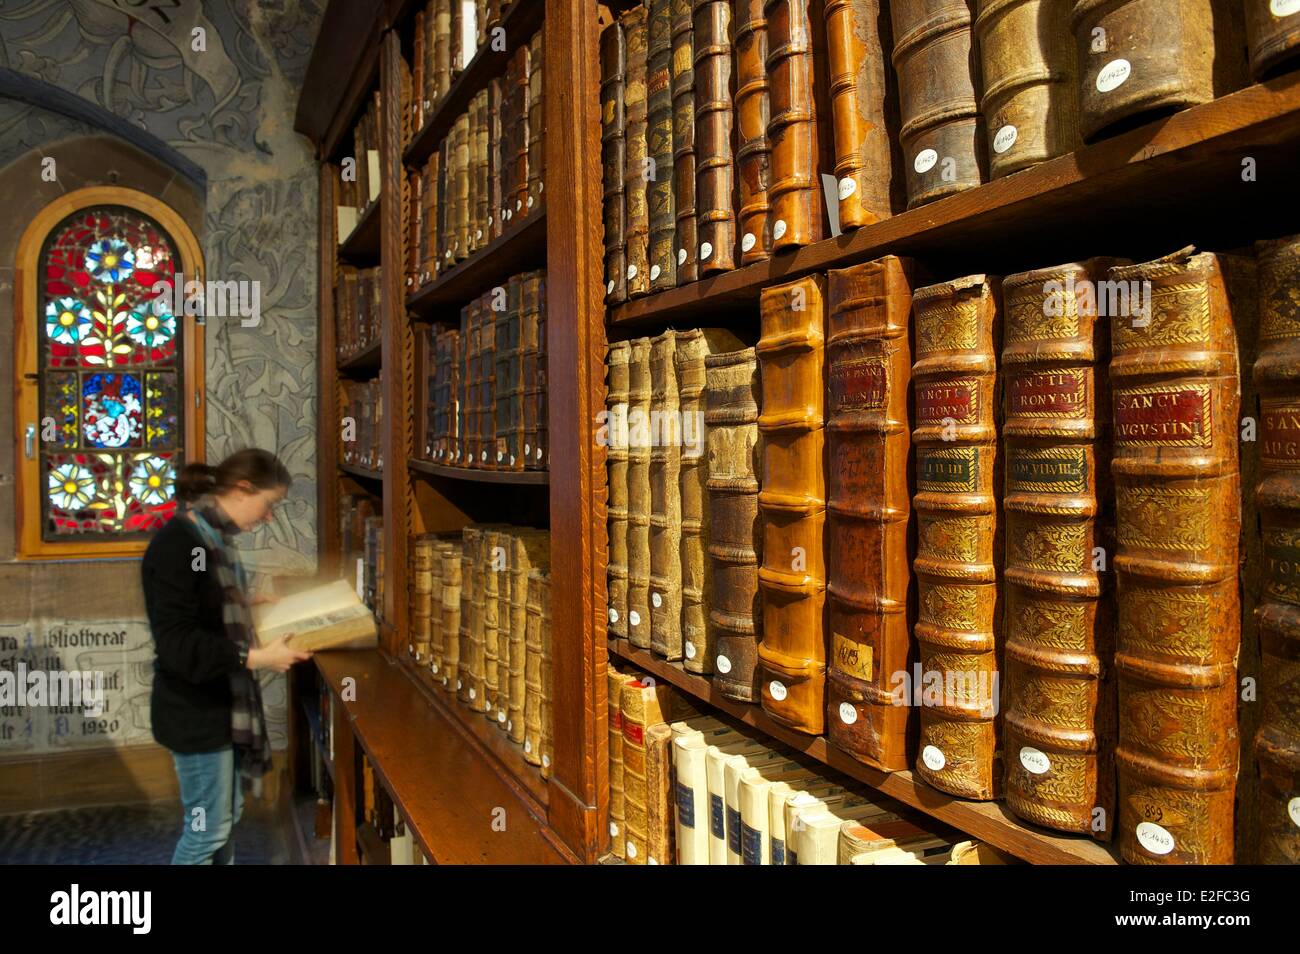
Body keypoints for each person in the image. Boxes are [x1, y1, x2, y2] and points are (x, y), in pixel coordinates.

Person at [141, 448, 311, 864]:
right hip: (196, 716)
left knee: (224, 819)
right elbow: (179, 643)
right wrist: (256, 658)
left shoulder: (209, 539)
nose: (269, 517)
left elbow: (200, 603)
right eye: (268, 504)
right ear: (241, 489)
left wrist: (249, 602)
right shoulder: (180, 543)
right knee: (204, 832)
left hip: (216, 711)